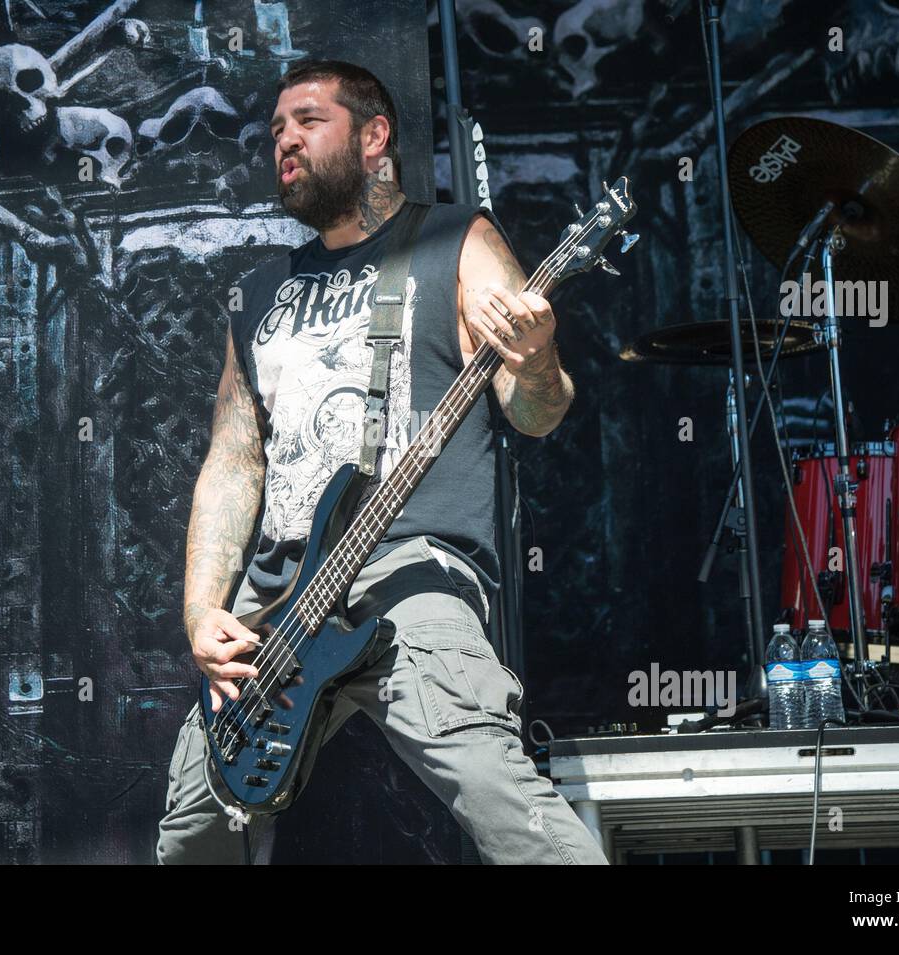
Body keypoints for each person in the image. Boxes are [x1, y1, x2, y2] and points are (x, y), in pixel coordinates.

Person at [155, 60, 607, 865]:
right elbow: (232, 462)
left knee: (496, 789)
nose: (284, 141)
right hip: (278, 601)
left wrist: (537, 360)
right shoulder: (260, 293)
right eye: (275, 131)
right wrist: (201, 614)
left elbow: (535, 411)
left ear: (374, 137)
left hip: (411, 572)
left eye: (306, 121)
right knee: (195, 831)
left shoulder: (454, 241)